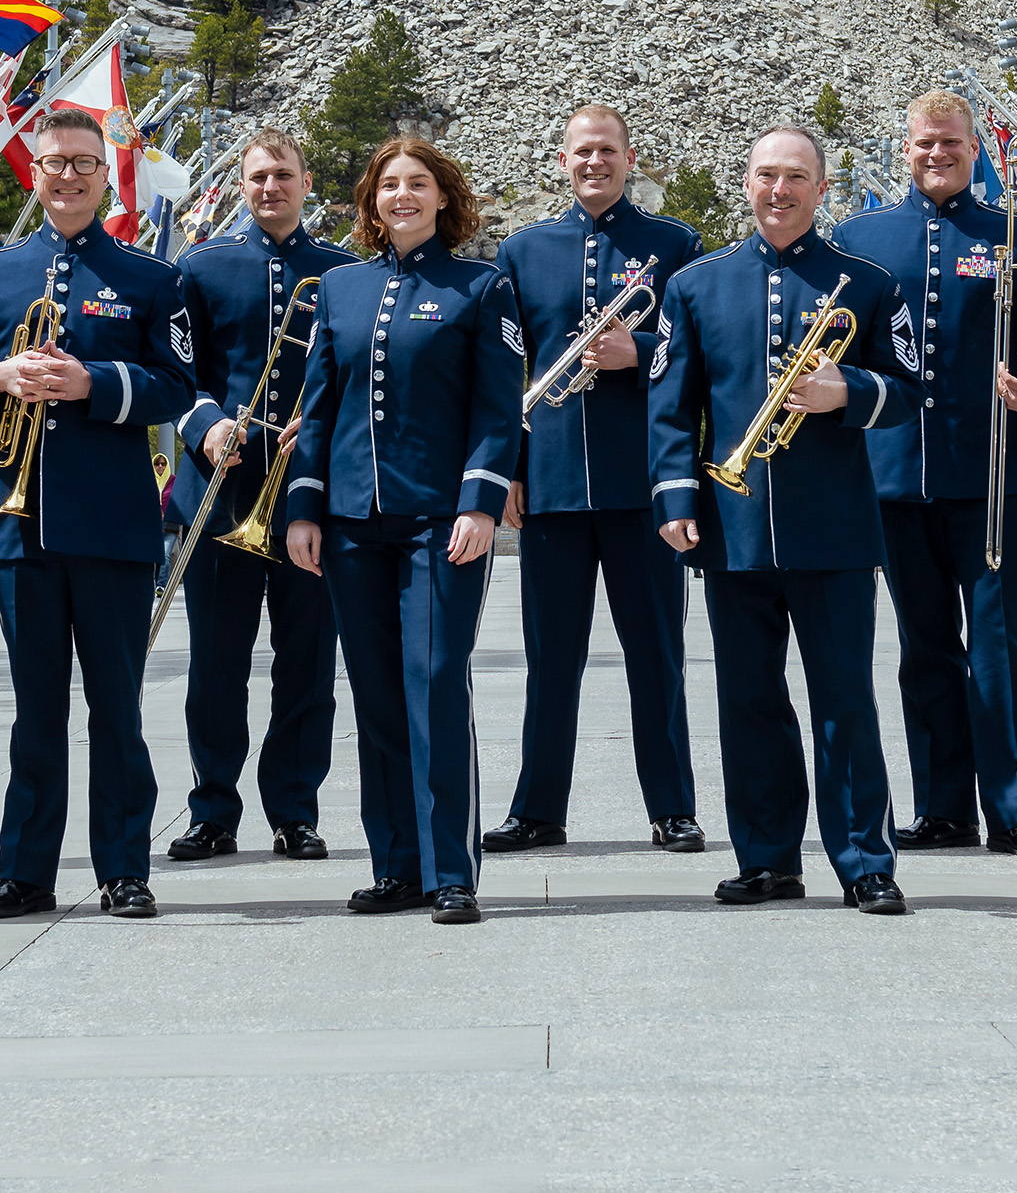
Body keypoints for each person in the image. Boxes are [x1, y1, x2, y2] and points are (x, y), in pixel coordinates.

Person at [0, 108, 200, 920]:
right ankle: (26, 872)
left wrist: (96, 384)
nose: (69, 176)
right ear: (33, 174)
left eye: (84, 162)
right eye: (54, 163)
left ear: (104, 173)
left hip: (112, 524)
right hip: (16, 527)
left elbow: (179, 387)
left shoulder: (153, 279)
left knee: (115, 704)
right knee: (35, 706)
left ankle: (123, 868)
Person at [647, 124, 921, 914]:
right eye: (767, 175)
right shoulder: (697, 285)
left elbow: (908, 393)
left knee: (844, 701)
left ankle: (865, 860)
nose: (780, 190)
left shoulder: (866, 284)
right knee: (748, 699)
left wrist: (850, 394)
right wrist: (674, 498)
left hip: (832, 531)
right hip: (732, 528)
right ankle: (767, 858)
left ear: (821, 189)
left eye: (796, 176)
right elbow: (672, 409)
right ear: (745, 182)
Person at [279, 134, 524, 923]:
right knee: (377, 694)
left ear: (444, 198)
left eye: (419, 184)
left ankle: (452, 869)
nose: (403, 196)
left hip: (439, 524)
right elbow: (316, 409)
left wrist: (481, 504)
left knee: (433, 686)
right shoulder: (339, 289)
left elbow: (496, 411)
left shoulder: (482, 289)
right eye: (390, 185)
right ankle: (398, 866)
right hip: (351, 525)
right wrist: (303, 509)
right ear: (372, 202)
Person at [838, 91, 1017, 858]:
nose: (939, 155)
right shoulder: (858, 238)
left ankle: (1016, 809)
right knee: (924, 647)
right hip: (891, 481)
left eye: (954, 144)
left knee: (1000, 647)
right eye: (926, 143)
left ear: (977, 149)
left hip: (991, 477)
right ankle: (942, 808)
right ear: (906, 148)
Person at [487, 102, 703, 855]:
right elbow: (501, 375)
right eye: (581, 152)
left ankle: (673, 806)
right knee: (551, 659)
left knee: (657, 655)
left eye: (606, 151)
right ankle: (538, 808)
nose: (593, 163)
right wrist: (506, 474)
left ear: (629, 156)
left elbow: (694, 355)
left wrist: (637, 351)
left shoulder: (673, 244)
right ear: (561, 161)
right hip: (547, 487)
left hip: (640, 485)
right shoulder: (522, 250)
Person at [166, 131, 351, 863]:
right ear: (241, 185)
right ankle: (213, 809)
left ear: (307, 183)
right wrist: (208, 428)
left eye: (283, 175)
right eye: (256, 176)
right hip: (219, 493)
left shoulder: (341, 271)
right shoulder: (201, 266)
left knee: (306, 660)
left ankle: (295, 810)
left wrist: (322, 425)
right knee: (216, 661)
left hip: (305, 498)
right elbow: (179, 375)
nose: (269, 187)